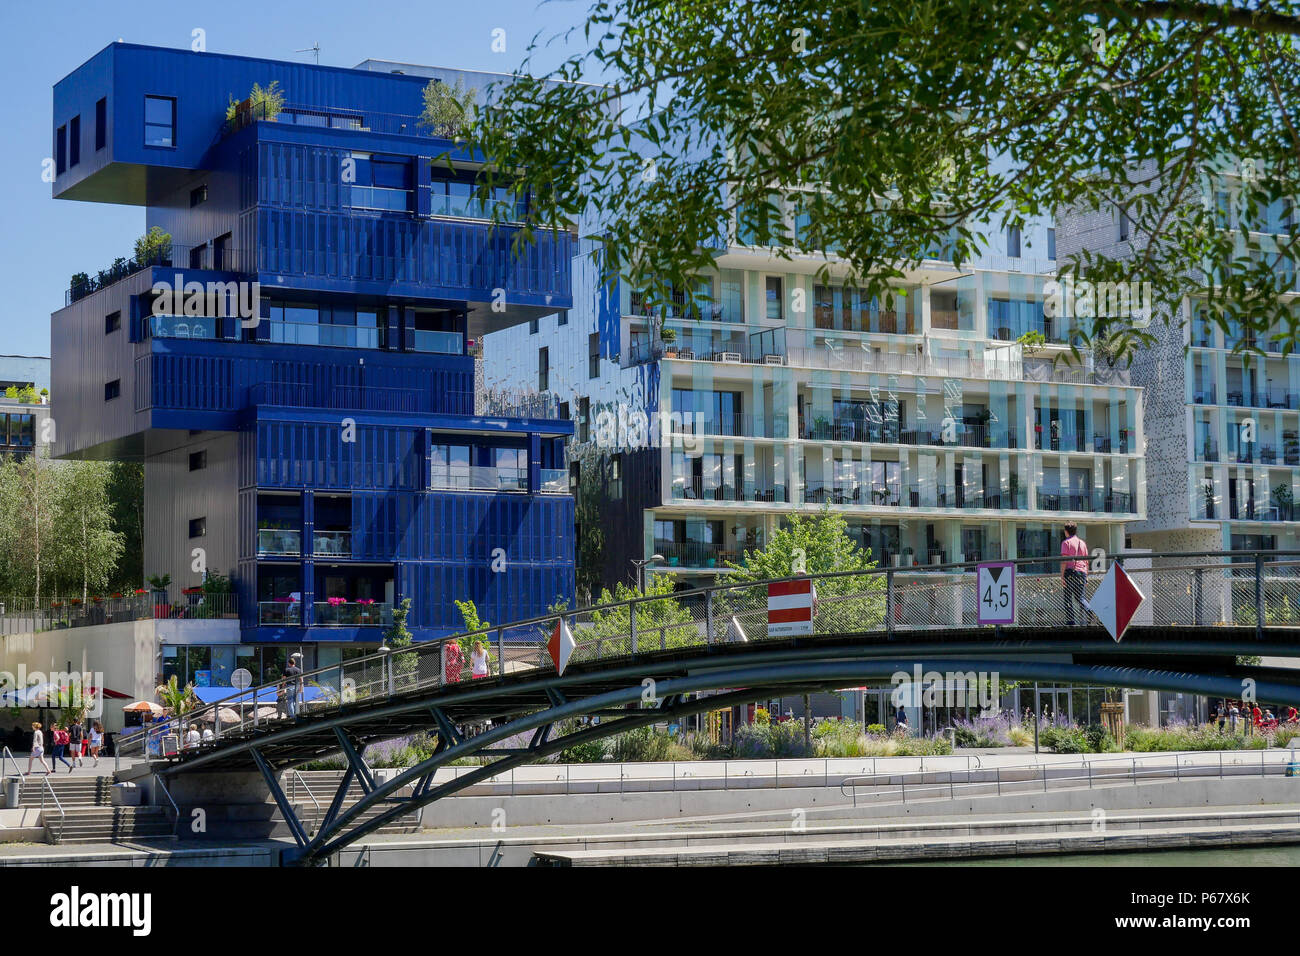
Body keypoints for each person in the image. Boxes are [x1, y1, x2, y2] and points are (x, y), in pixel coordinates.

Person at [1059, 522, 1090, 626]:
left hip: (1070, 572)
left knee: (1068, 597)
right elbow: (1086, 561)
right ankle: (1089, 610)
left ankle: (1070, 622)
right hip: (1082, 572)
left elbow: (1064, 561)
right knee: (1080, 598)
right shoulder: (1083, 543)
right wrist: (1086, 575)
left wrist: (1062, 576)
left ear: (1066, 531)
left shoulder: (1065, 543)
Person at [283, 653, 303, 719]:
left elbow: (284, 679)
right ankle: (297, 714)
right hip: (297, 686)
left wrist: (283, 687)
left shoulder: (286, 670)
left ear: (289, 663)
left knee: (290, 701)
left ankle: (292, 716)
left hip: (289, 686)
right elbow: (301, 679)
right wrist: (301, 687)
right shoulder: (298, 670)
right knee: (295, 701)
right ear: (294, 663)